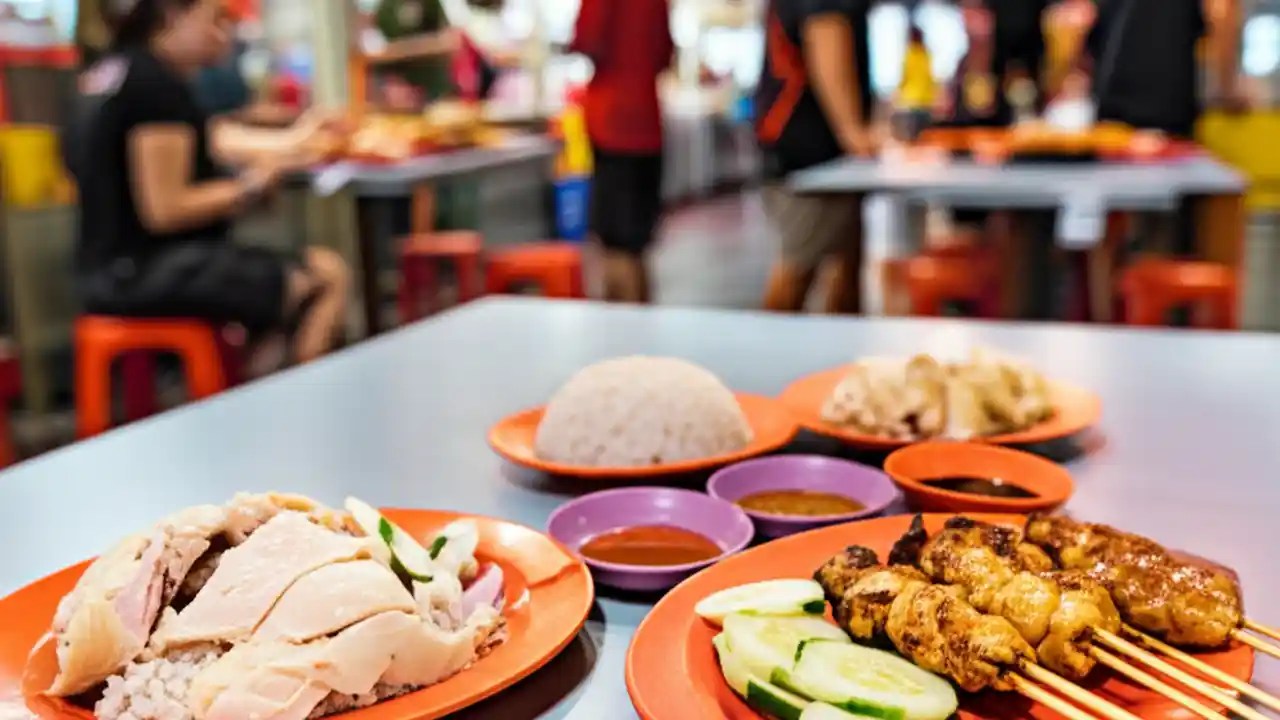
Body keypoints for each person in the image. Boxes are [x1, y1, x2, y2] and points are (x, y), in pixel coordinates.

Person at [64, 0, 350, 369]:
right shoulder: (156, 88)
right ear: (171, 14)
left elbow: (211, 137)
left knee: (277, 295)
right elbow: (165, 210)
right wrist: (250, 186)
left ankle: (258, 394)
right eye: (215, 19)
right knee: (326, 275)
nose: (224, 34)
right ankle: (308, 402)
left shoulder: (110, 72)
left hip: (104, 270)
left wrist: (294, 141)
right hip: (145, 274)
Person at [755, 0, 876, 313]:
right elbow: (825, 35)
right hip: (810, 153)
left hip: (818, 149)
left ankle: (845, 356)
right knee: (799, 265)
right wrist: (853, 132)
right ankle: (762, 356)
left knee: (842, 263)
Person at [570, 0, 673, 303]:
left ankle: (624, 336)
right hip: (648, 121)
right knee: (637, 244)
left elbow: (588, 40)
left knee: (616, 243)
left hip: (613, 124)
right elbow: (664, 54)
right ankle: (644, 331)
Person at [895, 25, 936, 142]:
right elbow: (930, 77)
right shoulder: (926, 54)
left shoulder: (909, 54)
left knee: (911, 137)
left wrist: (898, 92)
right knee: (924, 135)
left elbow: (904, 77)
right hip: (925, 99)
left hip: (911, 99)